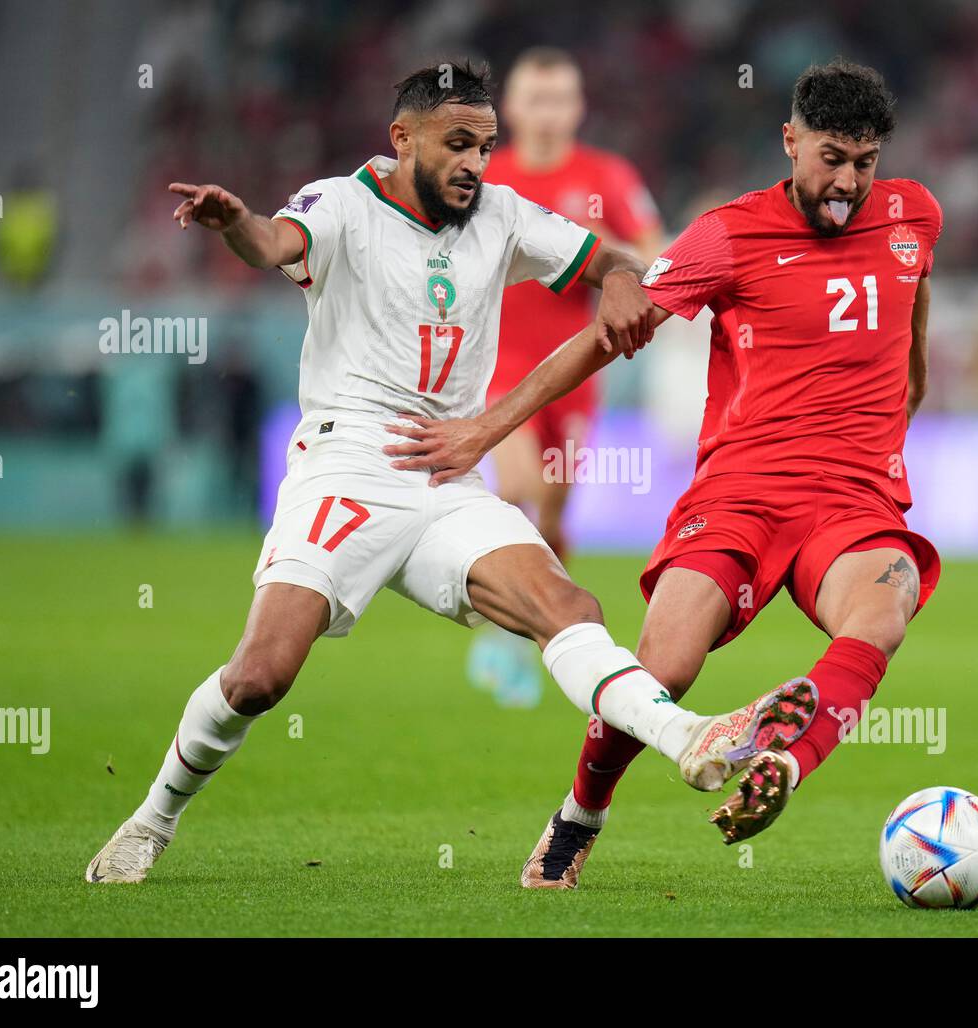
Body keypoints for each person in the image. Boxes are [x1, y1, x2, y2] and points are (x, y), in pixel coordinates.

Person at [85, 61, 817, 885]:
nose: (476, 163)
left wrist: (616, 281)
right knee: (258, 678)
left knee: (567, 603)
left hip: (446, 476)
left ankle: (690, 737)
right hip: (347, 467)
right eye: (458, 144)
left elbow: (605, 255)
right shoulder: (343, 204)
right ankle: (151, 821)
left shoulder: (501, 214)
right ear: (404, 140)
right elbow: (272, 242)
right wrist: (235, 223)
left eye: (486, 146)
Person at [382, 59, 942, 889]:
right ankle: (578, 818)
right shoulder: (727, 236)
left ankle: (783, 763)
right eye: (830, 158)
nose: (848, 183)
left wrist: (885, 433)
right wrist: (485, 428)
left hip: (850, 499)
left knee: (884, 609)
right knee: (665, 668)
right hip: (740, 491)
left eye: (864, 163)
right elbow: (614, 327)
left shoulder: (914, 216)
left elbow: (912, 343)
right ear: (789, 142)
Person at [467, 47, 663, 707]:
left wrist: (607, 247)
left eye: (560, 100)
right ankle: (501, 631)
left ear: (577, 108)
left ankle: (527, 633)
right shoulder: (487, 178)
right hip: (500, 363)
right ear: (511, 109)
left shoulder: (606, 175)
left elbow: (656, 254)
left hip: (579, 365)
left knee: (553, 509)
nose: (548, 114)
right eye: (535, 100)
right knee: (517, 484)